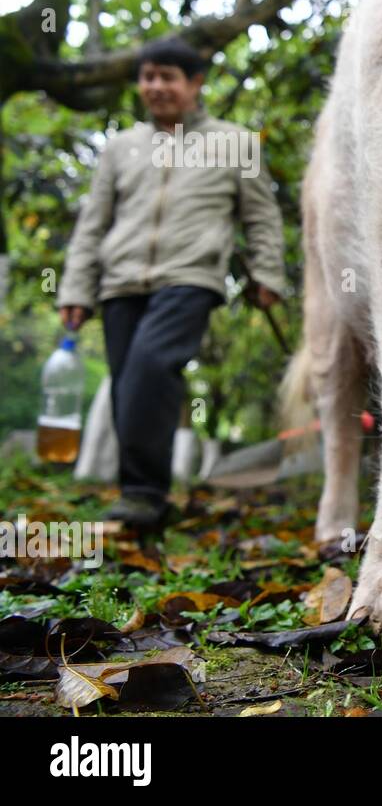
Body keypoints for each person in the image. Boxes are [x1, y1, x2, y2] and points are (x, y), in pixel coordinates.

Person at [56, 39, 287, 527]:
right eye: (147, 77)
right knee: (126, 386)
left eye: (167, 77)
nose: (155, 87)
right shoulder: (121, 148)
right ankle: (145, 492)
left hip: (190, 278)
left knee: (150, 367)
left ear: (196, 82)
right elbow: (92, 224)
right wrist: (75, 289)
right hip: (120, 283)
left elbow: (262, 218)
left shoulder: (236, 143)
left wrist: (267, 274)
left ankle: (142, 494)